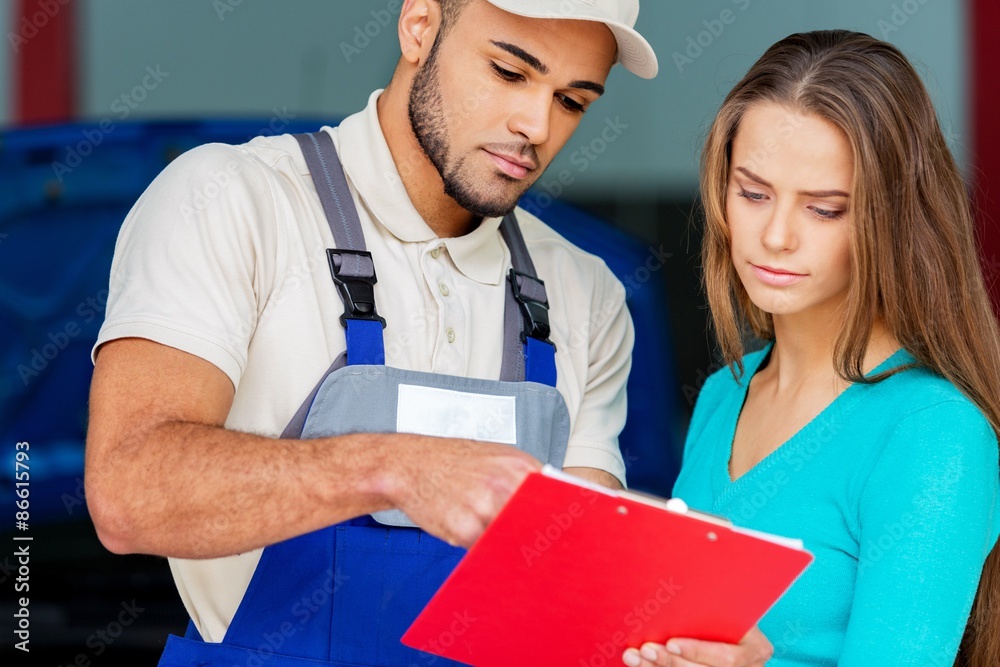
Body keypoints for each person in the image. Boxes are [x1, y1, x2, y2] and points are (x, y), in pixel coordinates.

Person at [85, 2, 770, 665]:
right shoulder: (232, 201)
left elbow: (576, 597)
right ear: (419, 27)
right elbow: (127, 492)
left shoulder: (583, 291)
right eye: (509, 71)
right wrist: (396, 468)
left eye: (572, 101)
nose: (536, 125)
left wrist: (675, 635)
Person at [633, 29, 1000, 667]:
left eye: (825, 209)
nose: (775, 236)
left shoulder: (933, 430)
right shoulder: (725, 393)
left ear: (891, 222)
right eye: (752, 193)